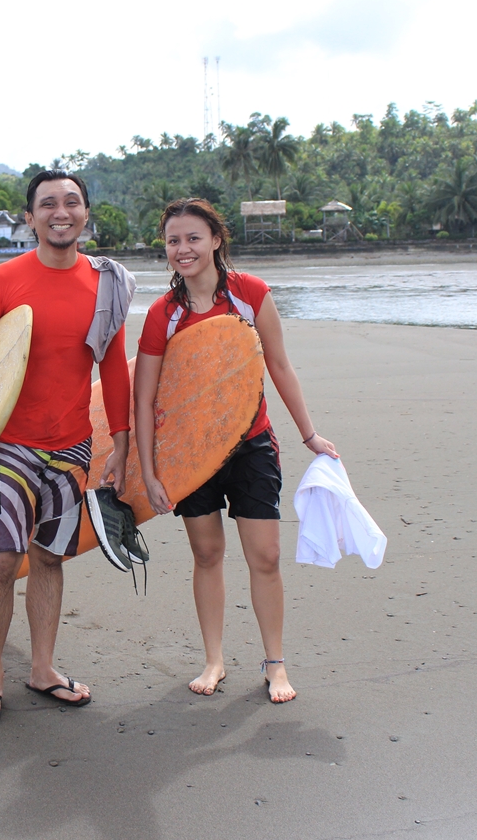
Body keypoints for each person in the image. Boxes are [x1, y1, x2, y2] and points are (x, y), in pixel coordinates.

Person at [0, 170, 132, 723]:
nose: (60, 211)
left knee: (49, 557)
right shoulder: (2, 280)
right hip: (11, 447)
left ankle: (42, 667)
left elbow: (113, 368)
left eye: (71, 202)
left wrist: (120, 443)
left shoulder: (105, 285)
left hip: (71, 446)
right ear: (30, 217)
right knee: (2, 559)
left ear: (86, 213)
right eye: (47, 204)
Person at [133, 198, 337, 704]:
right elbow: (144, 397)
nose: (183, 249)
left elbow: (280, 366)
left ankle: (275, 663)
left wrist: (309, 433)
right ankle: (214, 658)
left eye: (193, 238)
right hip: (192, 454)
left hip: (251, 445)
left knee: (264, 556)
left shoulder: (250, 293)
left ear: (216, 240)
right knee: (207, 554)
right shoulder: (163, 314)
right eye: (173, 241)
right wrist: (151, 472)